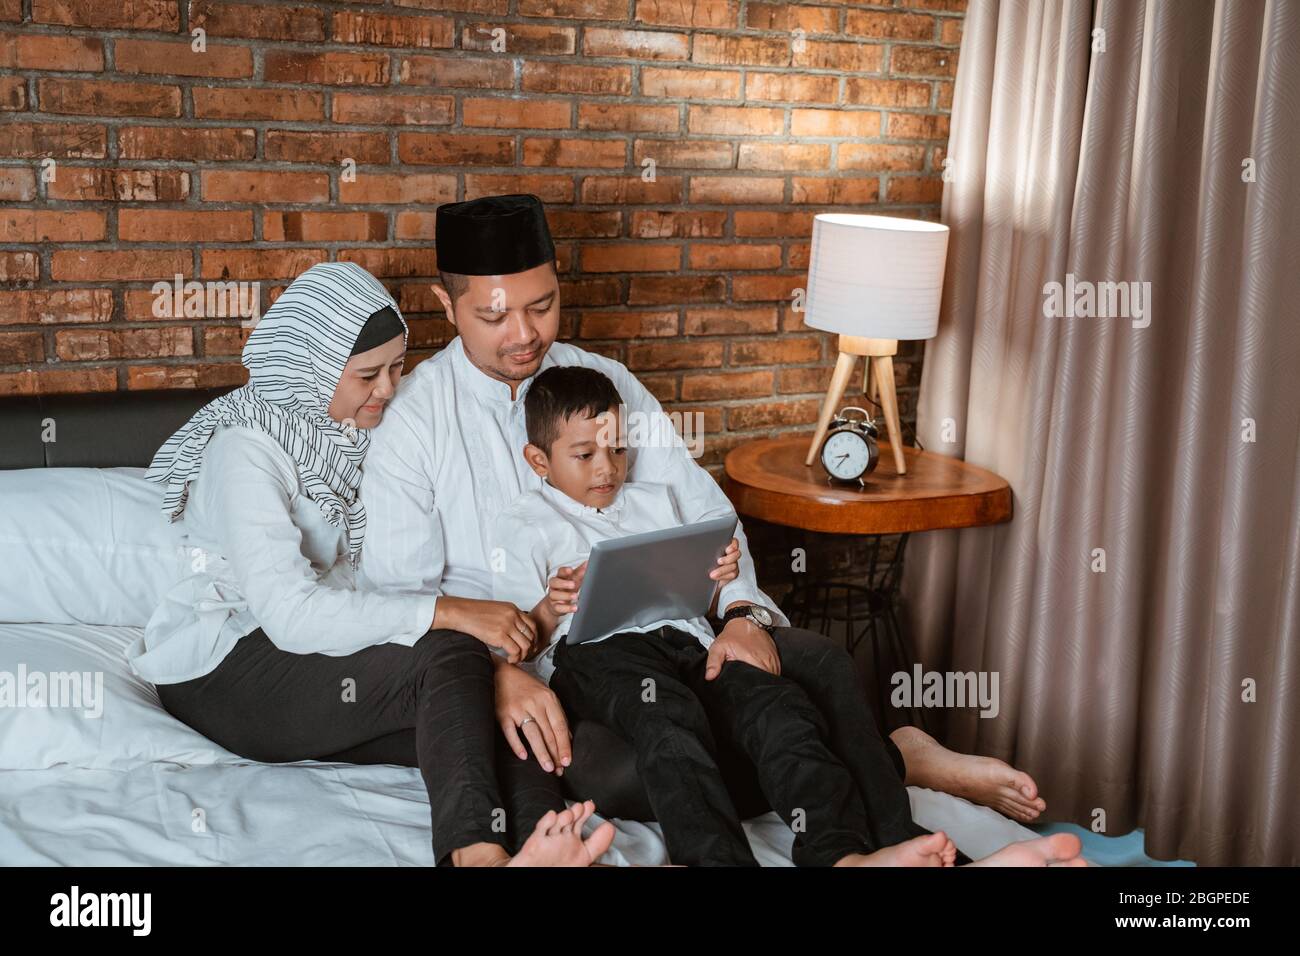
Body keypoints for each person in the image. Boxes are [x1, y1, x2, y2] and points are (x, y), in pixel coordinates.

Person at [359, 193, 1050, 835]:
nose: (524, 334)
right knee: (626, 778)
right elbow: (406, 597)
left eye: (542, 306)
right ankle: (897, 756)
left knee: (822, 665)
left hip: (680, 639)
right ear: (445, 306)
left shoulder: (606, 382)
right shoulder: (413, 422)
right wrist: (491, 674)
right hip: (560, 674)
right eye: (494, 316)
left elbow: (704, 511)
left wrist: (743, 614)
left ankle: (887, 823)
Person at [125, 260, 613, 868]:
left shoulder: (351, 433)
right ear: (314, 369)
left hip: (316, 660)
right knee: (455, 652)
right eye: (367, 375)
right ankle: (475, 857)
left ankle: (550, 841)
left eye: (396, 367)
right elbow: (292, 617)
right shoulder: (244, 450)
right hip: (228, 667)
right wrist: (449, 611)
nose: (387, 389)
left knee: (484, 707)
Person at [491, 365, 959, 866]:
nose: (606, 468)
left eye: (619, 449)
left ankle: (842, 853)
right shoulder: (524, 524)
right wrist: (550, 605)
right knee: (668, 718)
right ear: (539, 460)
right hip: (599, 655)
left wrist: (720, 578)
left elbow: (699, 591)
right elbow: (522, 643)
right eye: (584, 456)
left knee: (779, 706)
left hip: (684, 639)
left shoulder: (656, 501)